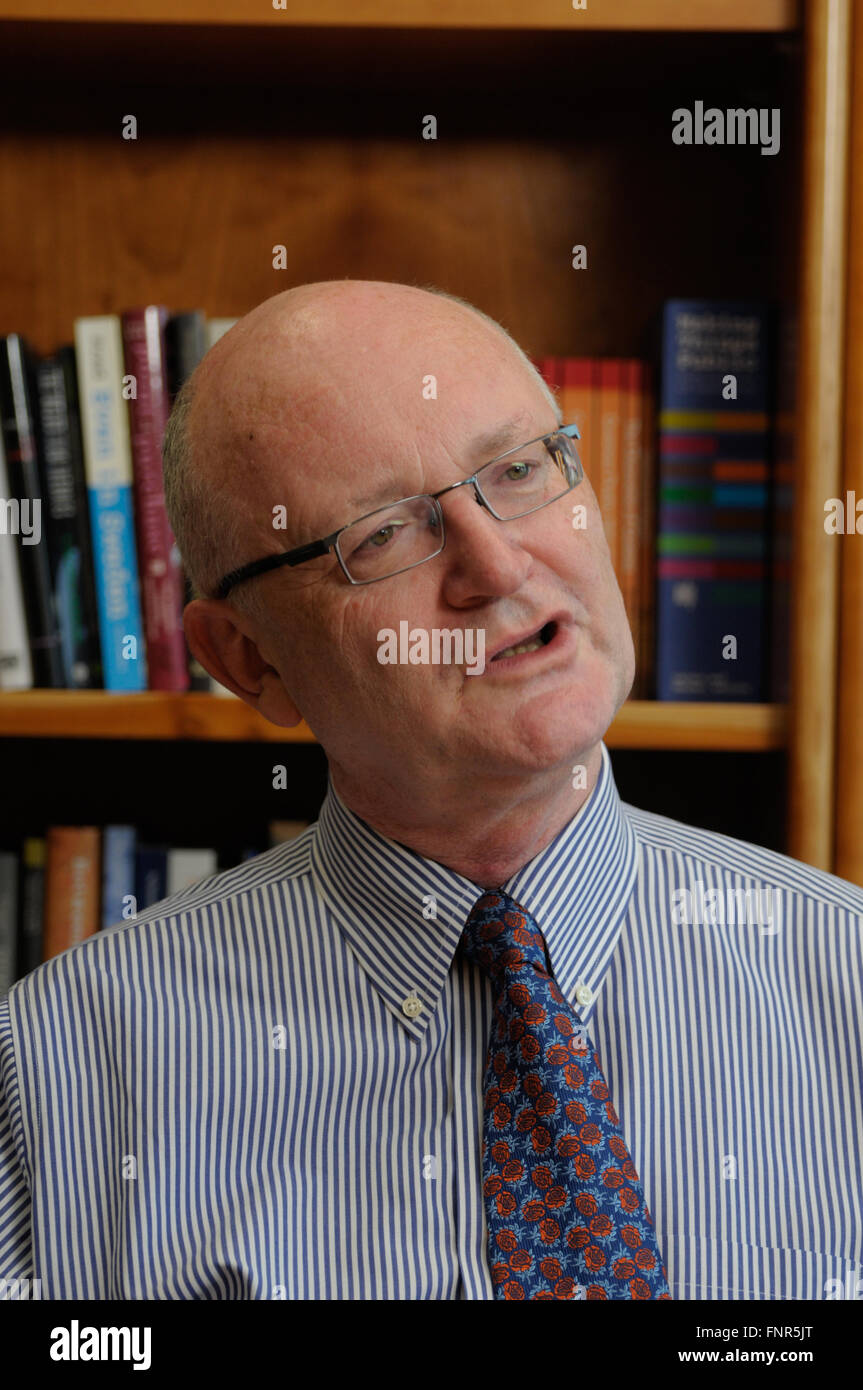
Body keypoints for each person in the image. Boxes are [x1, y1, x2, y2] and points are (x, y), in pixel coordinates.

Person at [1, 280, 861, 1300]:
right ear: (248, 659)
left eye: (520, 469)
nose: (495, 564)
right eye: (382, 534)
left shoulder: (843, 985)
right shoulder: (60, 1073)